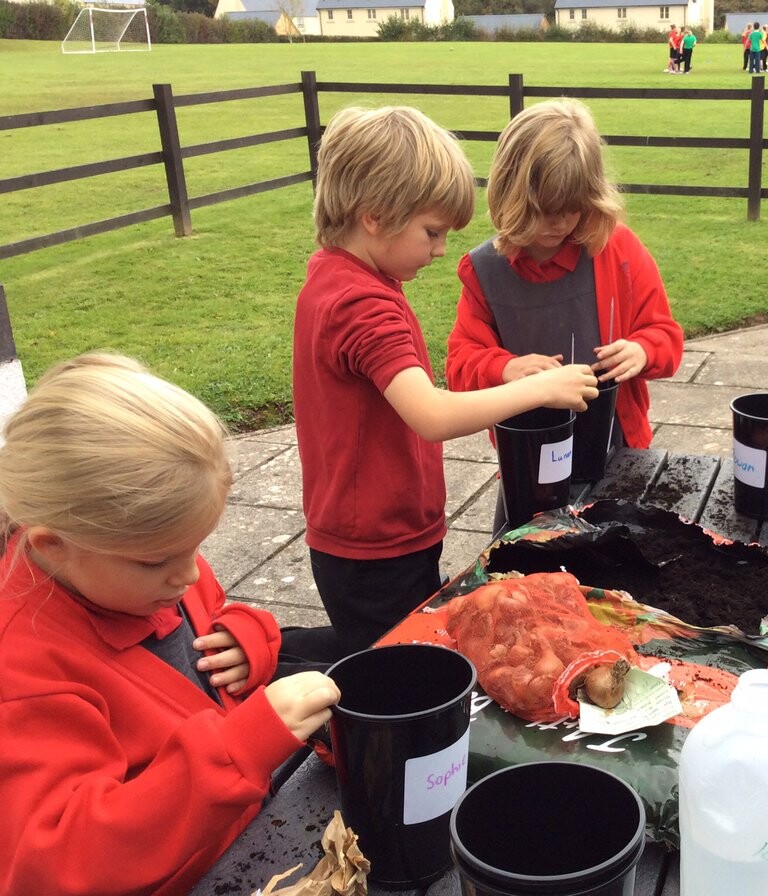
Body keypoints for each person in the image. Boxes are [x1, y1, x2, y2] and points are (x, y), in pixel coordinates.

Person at [0, 353, 343, 895]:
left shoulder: (129, 573)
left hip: (247, 836)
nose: (189, 572)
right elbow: (55, 862)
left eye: (196, 547)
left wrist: (249, 636)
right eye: (159, 559)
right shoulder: (22, 673)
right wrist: (239, 749)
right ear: (53, 545)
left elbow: (209, 616)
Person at [293, 106, 598, 654]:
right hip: (377, 547)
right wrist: (538, 388)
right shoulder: (362, 303)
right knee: (399, 675)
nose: (440, 250)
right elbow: (431, 415)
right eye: (431, 232)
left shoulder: (338, 275)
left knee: (382, 647)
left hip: (370, 535)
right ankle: (271, 664)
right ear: (374, 215)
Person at [447, 99, 684, 521]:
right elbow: (460, 365)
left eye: (572, 208)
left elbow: (667, 337)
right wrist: (505, 369)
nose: (558, 223)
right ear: (510, 195)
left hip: (618, 457)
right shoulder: (484, 272)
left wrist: (643, 350)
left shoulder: (619, 252)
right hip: (530, 468)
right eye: (543, 210)